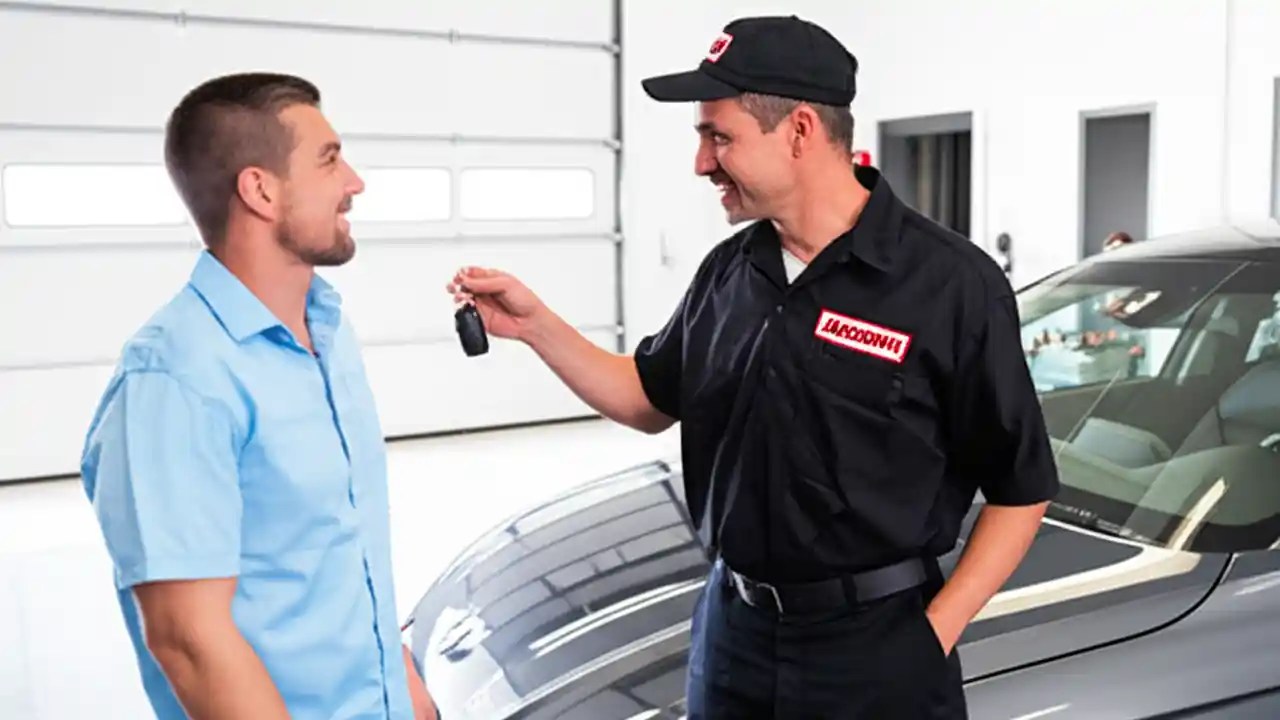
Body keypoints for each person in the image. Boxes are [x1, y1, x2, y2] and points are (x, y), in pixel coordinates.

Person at [446, 15, 1057, 719]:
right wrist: (535, 326)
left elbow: (1021, 487)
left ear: (799, 131)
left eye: (719, 137)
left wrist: (934, 635)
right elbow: (649, 398)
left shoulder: (951, 285)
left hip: (876, 650)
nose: (701, 163)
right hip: (733, 636)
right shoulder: (730, 273)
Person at [79, 73, 437, 720]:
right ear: (261, 190)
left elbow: (341, 547)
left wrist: (405, 688)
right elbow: (188, 641)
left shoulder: (326, 330)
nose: (354, 181)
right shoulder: (174, 379)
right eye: (329, 160)